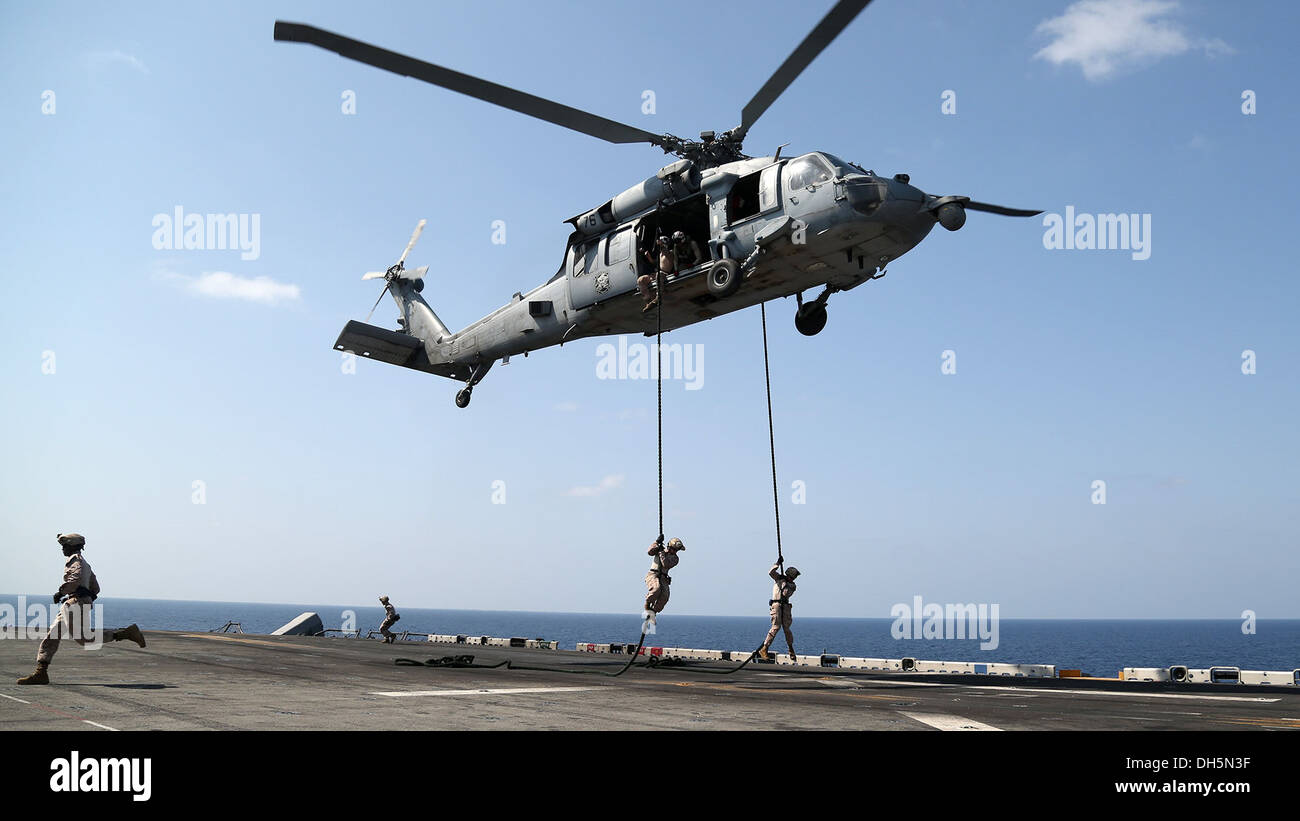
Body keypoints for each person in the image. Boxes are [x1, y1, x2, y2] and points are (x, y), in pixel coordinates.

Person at [17, 533, 146, 685]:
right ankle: (41, 672)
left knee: (85, 639)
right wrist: (87, 594)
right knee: (52, 635)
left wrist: (61, 592)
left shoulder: (76, 562)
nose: (63, 549)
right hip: (75, 602)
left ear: (72, 546)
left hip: (75, 603)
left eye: (65, 546)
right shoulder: (85, 564)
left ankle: (123, 633)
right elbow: (96, 588)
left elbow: (74, 580)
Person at [758, 562, 800, 661]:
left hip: (785, 606)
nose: (793, 579)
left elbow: (785, 594)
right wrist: (777, 564)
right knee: (776, 627)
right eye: (792, 577)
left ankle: (790, 648)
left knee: (787, 628)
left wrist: (785, 583)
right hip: (776, 605)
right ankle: (765, 648)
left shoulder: (792, 586)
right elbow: (771, 572)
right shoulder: (778, 578)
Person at [643, 536, 685, 623]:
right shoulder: (659, 549)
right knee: (656, 589)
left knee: (665, 596)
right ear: (669, 546)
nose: (674, 551)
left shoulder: (675, 559)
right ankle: (647, 605)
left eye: (676, 550)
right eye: (674, 549)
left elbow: (665, 564)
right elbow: (649, 552)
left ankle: (653, 612)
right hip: (653, 575)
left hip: (663, 578)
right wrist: (656, 543)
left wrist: (661, 552)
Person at [638, 234, 675, 312]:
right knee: (641, 280)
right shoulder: (660, 254)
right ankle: (649, 301)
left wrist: (662, 243)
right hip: (657, 273)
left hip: (664, 273)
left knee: (659, 274)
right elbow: (654, 262)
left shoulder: (670, 252)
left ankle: (658, 298)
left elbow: (667, 253)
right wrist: (648, 257)